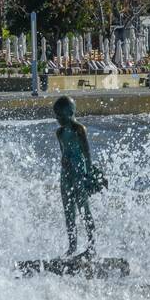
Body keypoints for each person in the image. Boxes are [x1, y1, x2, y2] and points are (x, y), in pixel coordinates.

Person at [52, 95, 103, 257]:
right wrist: (64, 162)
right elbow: (63, 153)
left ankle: (91, 247)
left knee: (84, 209)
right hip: (66, 175)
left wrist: (89, 176)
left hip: (80, 172)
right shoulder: (59, 133)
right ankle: (72, 247)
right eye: (56, 115)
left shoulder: (79, 129)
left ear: (71, 112)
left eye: (61, 115)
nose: (58, 119)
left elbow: (87, 154)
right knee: (69, 211)